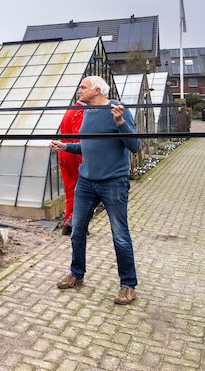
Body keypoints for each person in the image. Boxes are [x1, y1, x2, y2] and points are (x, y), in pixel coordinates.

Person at [50, 76, 142, 305]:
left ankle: (128, 285)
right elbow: (88, 146)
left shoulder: (117, 110)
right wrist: (65, 146)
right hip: (86, 182)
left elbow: (135, 146)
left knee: (120, 234)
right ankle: (76, 273)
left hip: (113, 182)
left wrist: (121, 122)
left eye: (83, 87)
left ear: (97, 89)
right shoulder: (88, 113)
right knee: (77, 230)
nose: (79, 90)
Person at [56, 101, 85, 235]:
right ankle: (74, 221)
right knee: (81, 190)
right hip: (73, 153)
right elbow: (78, 135)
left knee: (70, 190)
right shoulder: (81, 112)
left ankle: (68, 221)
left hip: (63, 151)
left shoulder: (69, 110)